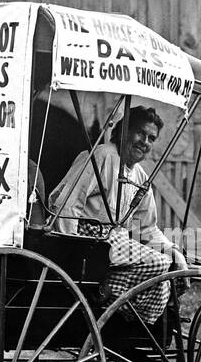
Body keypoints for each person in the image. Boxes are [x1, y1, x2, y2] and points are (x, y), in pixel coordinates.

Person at [47, 106, 187, 324]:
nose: (145, 142)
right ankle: (104, 294)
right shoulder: (102, 156)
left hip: (112, 244)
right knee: (159, 264)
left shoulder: (140, 176)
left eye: (151, 138)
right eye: (140, 133)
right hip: (88, 241)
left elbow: (146, 228)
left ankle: (128, 325)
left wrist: (172, 251)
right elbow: (68, 203)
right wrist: (70, 254)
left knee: (167, 277)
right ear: (124, 131)